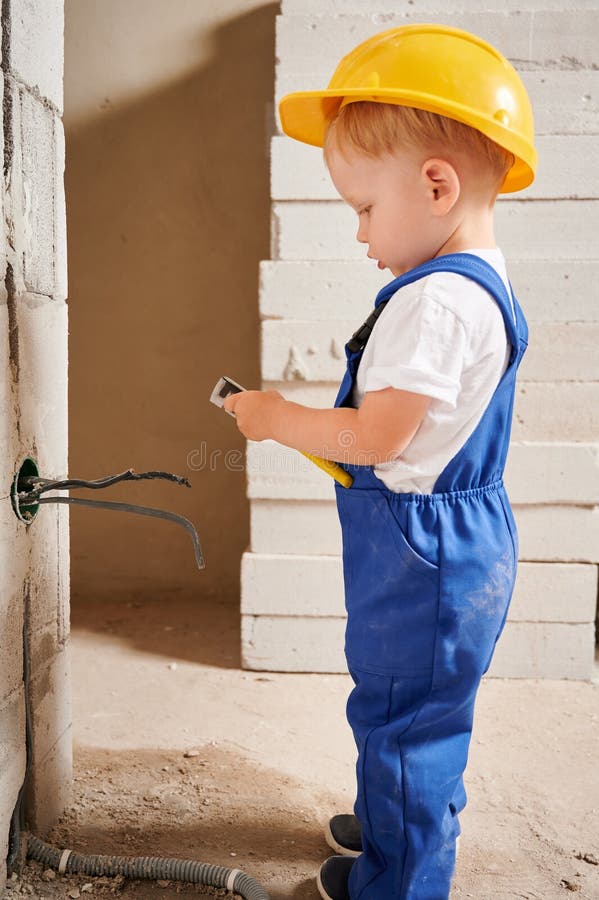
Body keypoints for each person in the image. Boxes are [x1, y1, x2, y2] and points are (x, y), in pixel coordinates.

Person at [223, 23, 536, 900]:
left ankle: (397, 880)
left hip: (424, 558)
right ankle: (391, 810)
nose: (358, 232)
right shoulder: (480, 278)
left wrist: (279, 416)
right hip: (449, 537)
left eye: (362, 207)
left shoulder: (434, 302)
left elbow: (376, 439)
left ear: (436, 184)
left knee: (407, 721)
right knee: (405, 702)